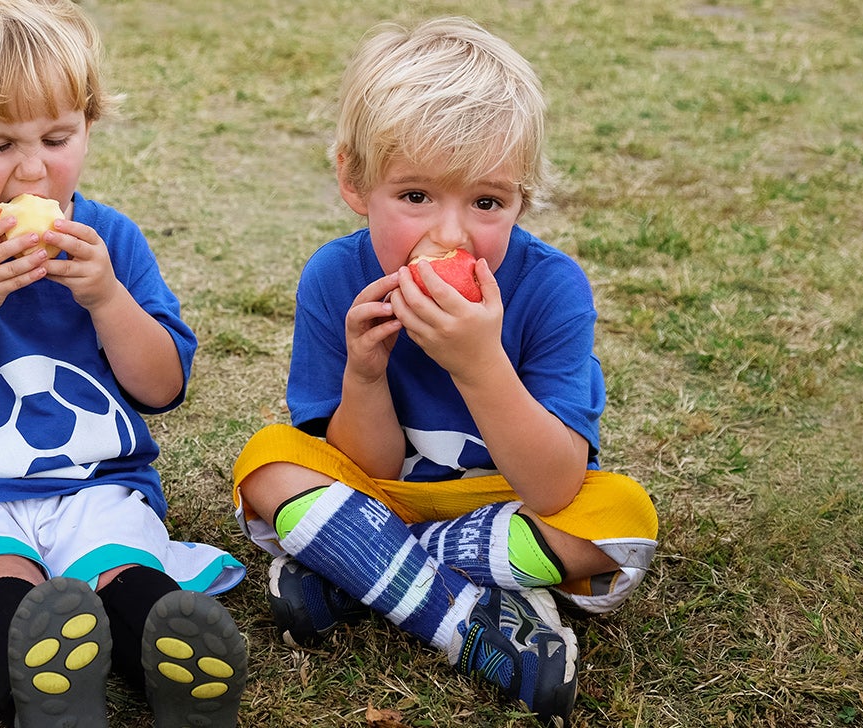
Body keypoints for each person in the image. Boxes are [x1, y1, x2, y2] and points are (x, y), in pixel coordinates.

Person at [232, 17, 659, 726]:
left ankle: (355, 569)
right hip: (383, 494)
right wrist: (365, 377)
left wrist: (480, 364)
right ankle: (469, 624)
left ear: (522, 198)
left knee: (621, 518)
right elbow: (365, 466)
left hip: (510, 506)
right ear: (354, 181)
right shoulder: (337, 277)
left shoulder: (552, 288)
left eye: (487, 202)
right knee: (267, 465)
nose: (452, 234)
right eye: (416, 196)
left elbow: (553, 485)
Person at [0, 2, 247, 726]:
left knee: (121, 570)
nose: (33, 167)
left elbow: (161, 387)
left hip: (95, 485)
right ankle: (45, 693)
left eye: (57, 137)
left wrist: (108, 299)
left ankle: (180, 665)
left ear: (89, 125)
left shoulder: (111, 242)